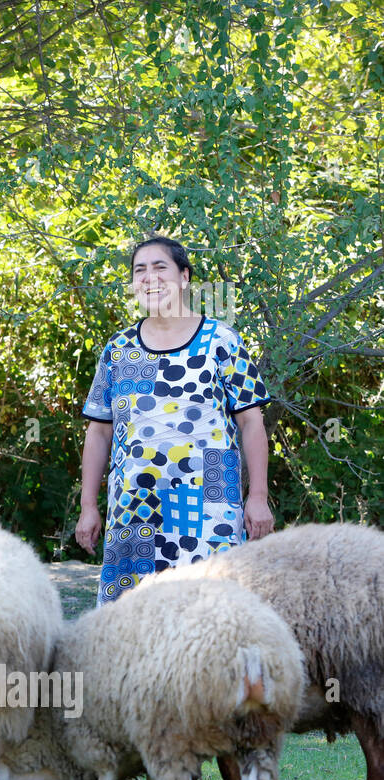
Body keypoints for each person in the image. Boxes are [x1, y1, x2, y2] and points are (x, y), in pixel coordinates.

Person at [75, 235, 274, 604]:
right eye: (140, 270)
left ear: (184, 277)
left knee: (214, 611)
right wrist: (89, 506)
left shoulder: (222, 341)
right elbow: (99, 432)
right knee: (130, 620)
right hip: (135, 507)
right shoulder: (118, 350)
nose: (149, 277)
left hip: (210, 505)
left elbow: (252, 422)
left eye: (159, 267)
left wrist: (258, 496)